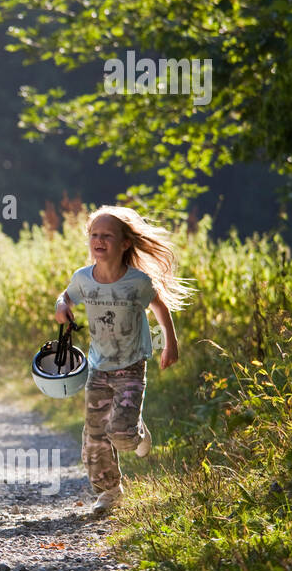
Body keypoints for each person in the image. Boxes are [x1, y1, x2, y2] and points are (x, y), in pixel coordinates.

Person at [54, 205, 192, 516]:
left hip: (131, 366)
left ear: (125, 243)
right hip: (98, 367)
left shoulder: (137, 282)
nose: (98, 241)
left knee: (122, 435)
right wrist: (62, 306)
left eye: (107, 236)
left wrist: (171, 343)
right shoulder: (83, 279)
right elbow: (66, 295)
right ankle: (109, 491)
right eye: (94, 235)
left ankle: (136, 430)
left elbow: (160, 307)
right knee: (94, 436)